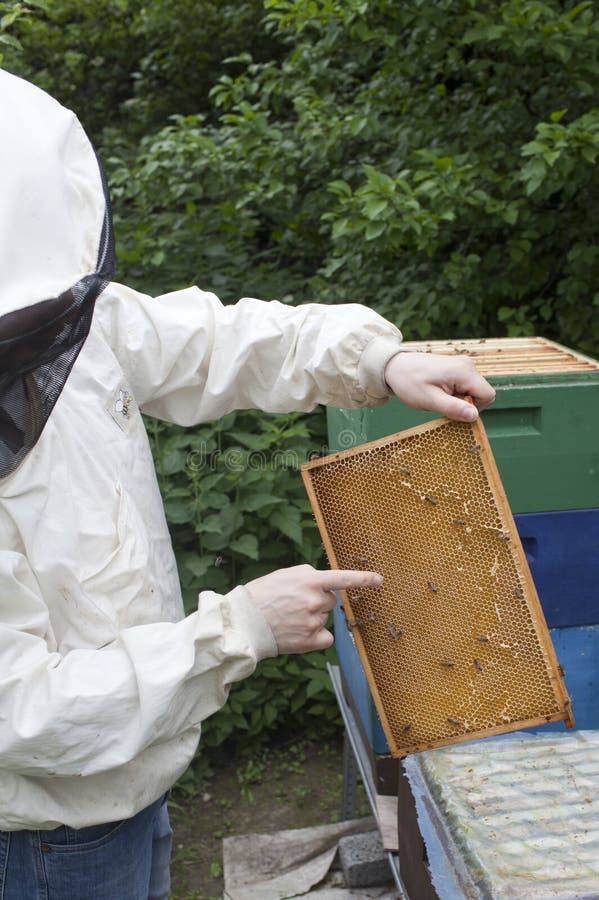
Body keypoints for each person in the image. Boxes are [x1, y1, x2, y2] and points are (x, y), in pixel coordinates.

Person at [0, 69, 495, 899]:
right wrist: (235, 629)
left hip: (129, 789)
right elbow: (23, 716)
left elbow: (215, 341)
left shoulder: (58, 321)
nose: (47, 337)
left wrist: (378, 359)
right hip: (40, 838)